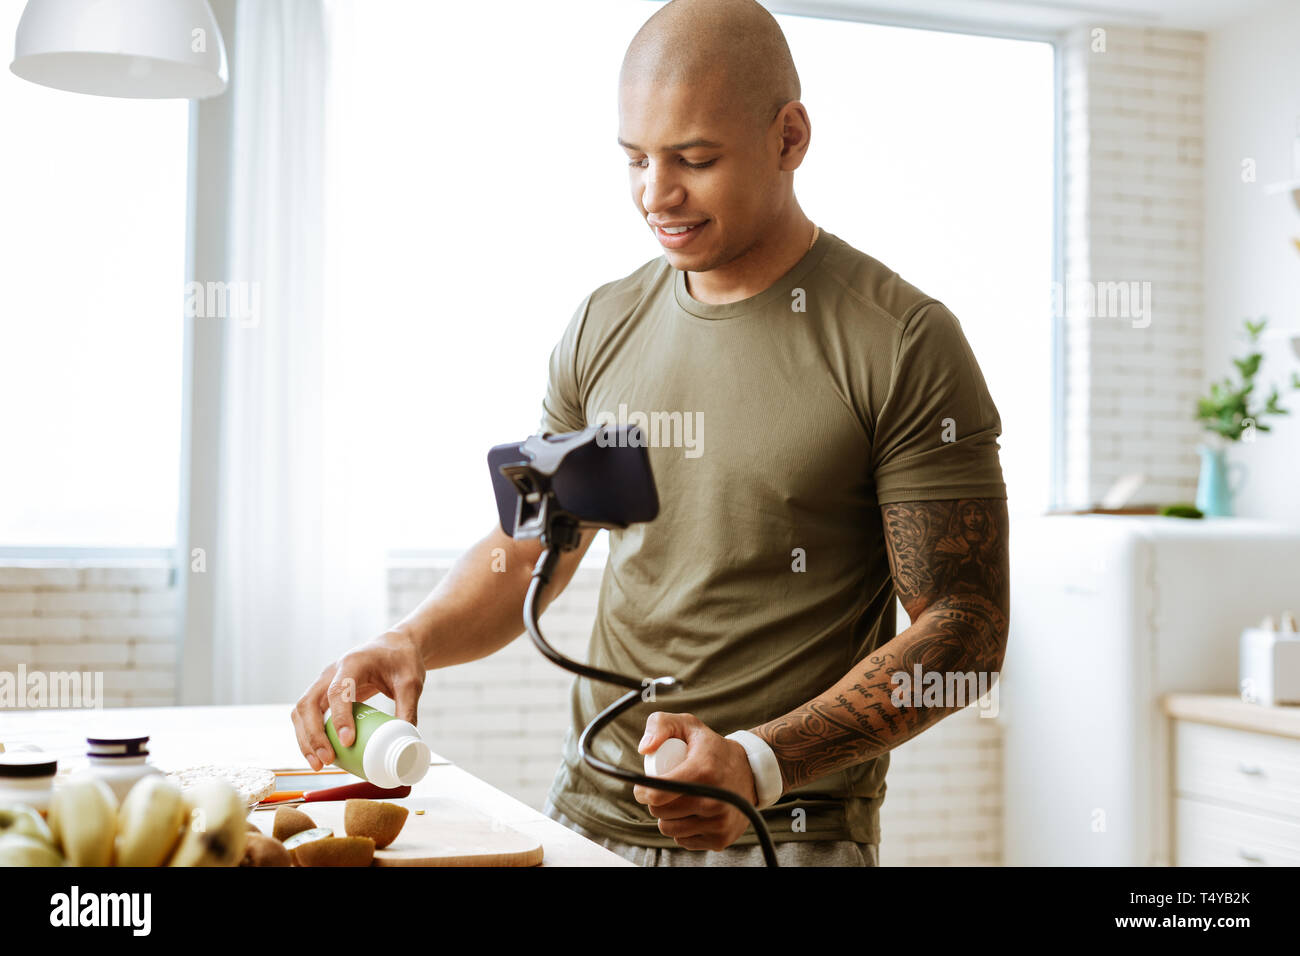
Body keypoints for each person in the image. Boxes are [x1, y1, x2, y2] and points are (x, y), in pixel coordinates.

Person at [292, 0, 1010, 867]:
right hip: (585, 816)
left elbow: (966, 629)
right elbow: (528, 550)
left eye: (695, 160)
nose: (655, 195)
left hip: (778, 835)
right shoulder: (602, 324)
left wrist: (757, 762)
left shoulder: (902, 340)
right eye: (635, 159)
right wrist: (406, 639)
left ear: (790, 137)